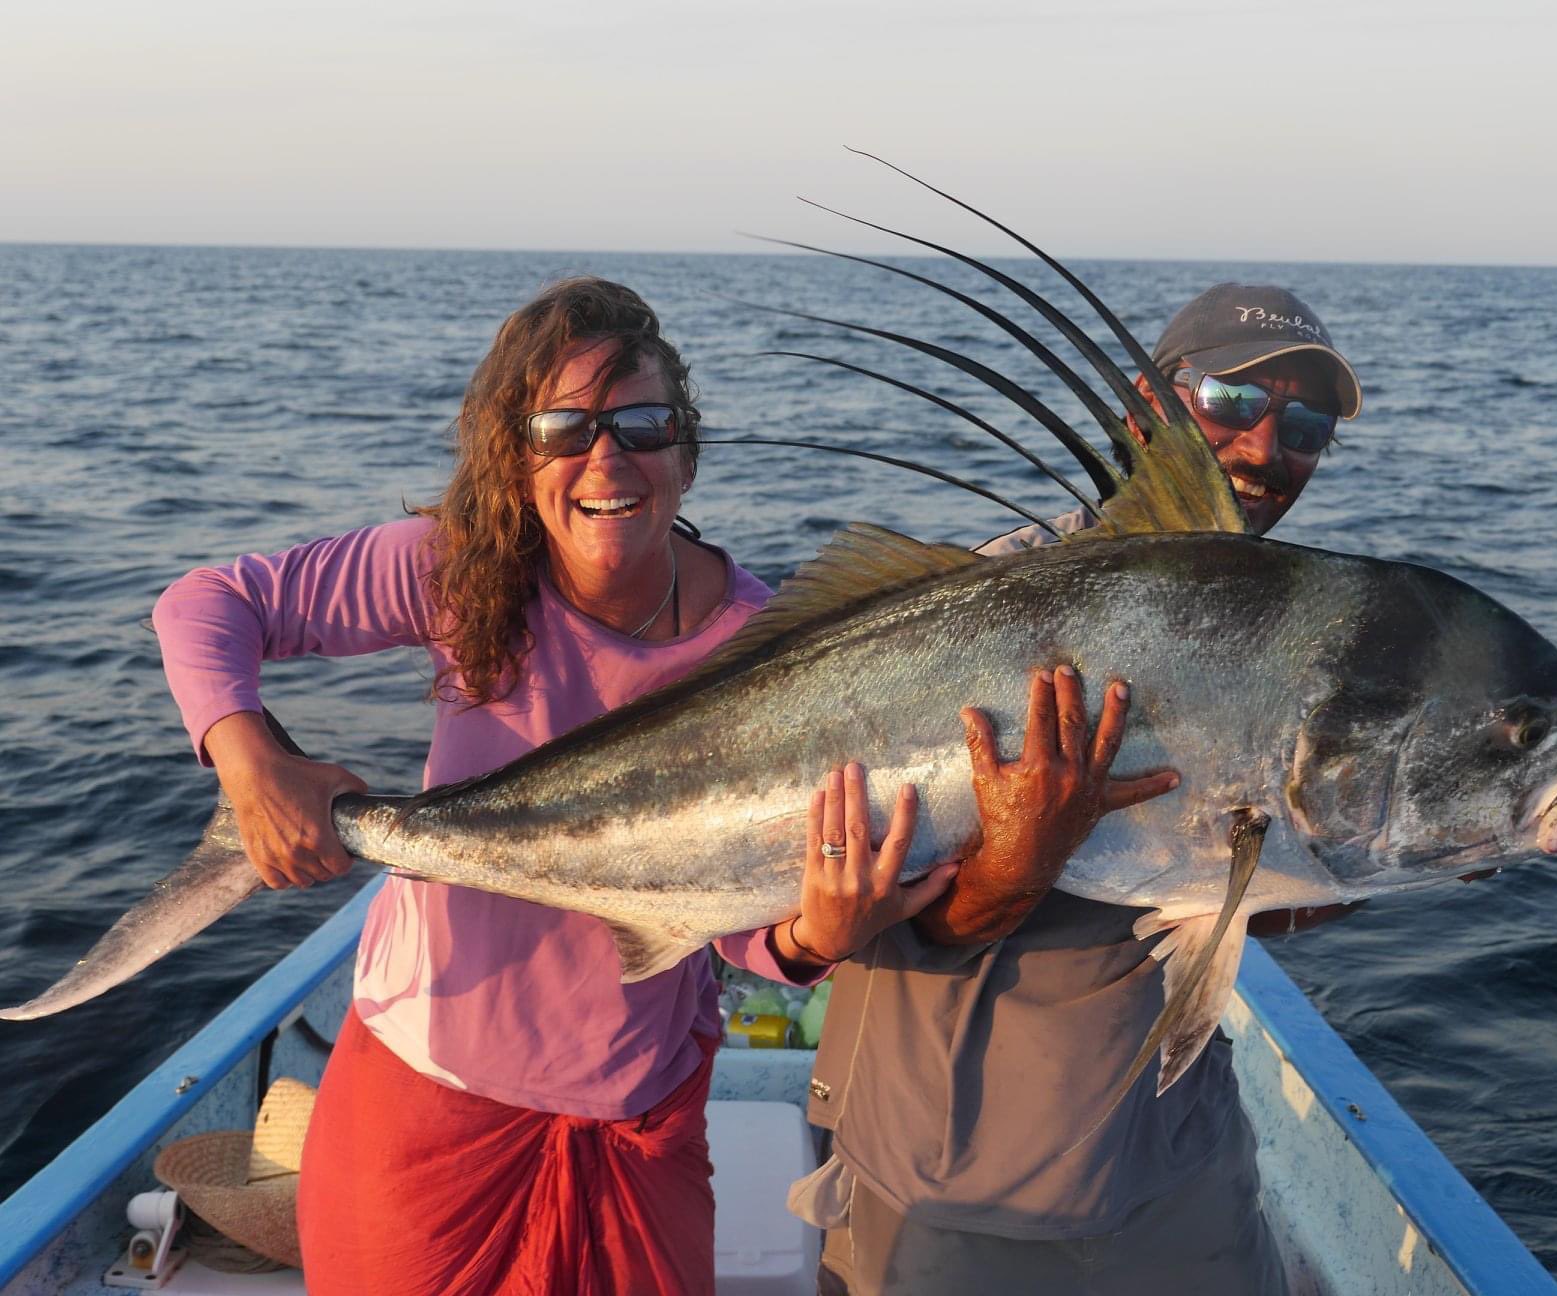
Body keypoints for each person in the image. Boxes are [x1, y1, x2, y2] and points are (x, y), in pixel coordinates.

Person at [151, 278, 958, 1296]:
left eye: (642, 426)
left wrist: (814, 938)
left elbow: (740, 907)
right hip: (424, 1092)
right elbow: (210, 604)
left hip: (637, 1110)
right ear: (516, 458)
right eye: (564, 429)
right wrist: (250, 762)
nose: (606, 459)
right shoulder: (459, 571)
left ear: (686, 453)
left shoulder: (765, 649)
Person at [805, 284, 1365, 1296]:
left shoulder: (1282, 634)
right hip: (957, 1180)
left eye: (1305, 427)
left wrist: (1366, 852)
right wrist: (1021, 856)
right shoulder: (994, 602)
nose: (1264, 448)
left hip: (1175, 1160)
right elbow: (885, 920)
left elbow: (1224, 885)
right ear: (1149, 410)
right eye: (1233, 403)